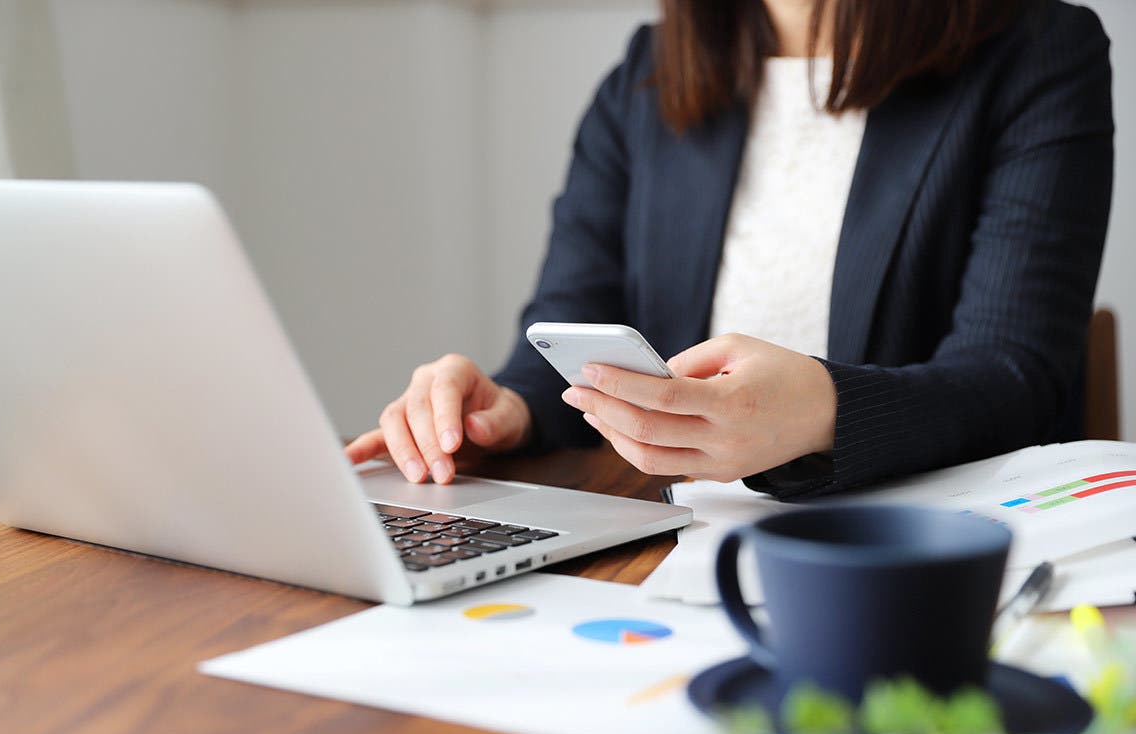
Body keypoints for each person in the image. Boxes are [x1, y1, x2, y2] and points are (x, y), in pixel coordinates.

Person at [346, 0, 1114, 500]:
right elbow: (575, 329)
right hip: (676, 547)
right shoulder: (645, 75)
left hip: (916, 563)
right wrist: (504, 408)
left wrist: (824, 411)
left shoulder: (1039, 51)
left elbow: (1018, 381)